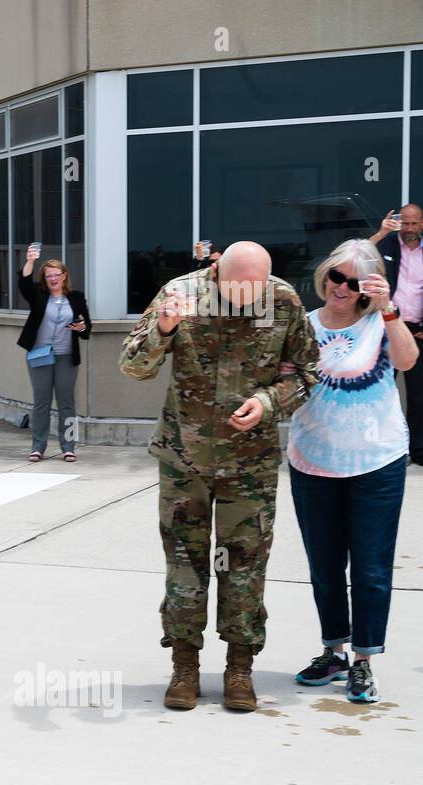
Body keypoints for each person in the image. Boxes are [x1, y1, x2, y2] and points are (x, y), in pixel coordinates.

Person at [120, 241, 320, 712]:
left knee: (243, 566)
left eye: (257, 287)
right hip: (184, 460)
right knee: (185, 567)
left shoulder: (285, 301)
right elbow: (133, 367)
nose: (249, 296)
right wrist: (164, 329)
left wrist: (269, 403)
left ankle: (239, 668)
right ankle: (185, 666)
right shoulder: (180, 295)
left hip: (249, 466)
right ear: (217, 273)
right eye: (238, 287)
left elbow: (308, 372)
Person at [283, 240, 416, 704]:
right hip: (312, 461)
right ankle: (332, 651)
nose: (341, 287)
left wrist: (390, 309)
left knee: (371, 568)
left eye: (354, 281)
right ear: (324, 276)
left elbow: (407, 361)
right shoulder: (302, 326)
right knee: (324, 566)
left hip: (376, 462)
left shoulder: (380, 322)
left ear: (368, 288)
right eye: (335, 276)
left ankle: (363, 661)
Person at [18, 247, 90, 462]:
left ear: (64, 276)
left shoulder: (76, 298)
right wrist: (30, 261)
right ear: (45, 279)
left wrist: (81, 328)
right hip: (40, 354)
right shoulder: (38, 295)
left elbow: (87, 327)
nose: (52, 279)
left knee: (66, 402)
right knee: (41, 401)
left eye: (56, 275)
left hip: (66, 356)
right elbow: (24, 283)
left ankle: (69, 447)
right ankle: (37, 447)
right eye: (48, 276)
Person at [369, 204, 423, 463]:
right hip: (386, 328)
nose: (409, 229)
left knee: (419, 397)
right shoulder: (387, 245)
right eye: (406, 224)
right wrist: (381, 233)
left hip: (418, 332)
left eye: (414, 224)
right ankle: (379, 449)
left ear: (421, 224)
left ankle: (418, 450)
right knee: (378, 391)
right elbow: (357, 254)